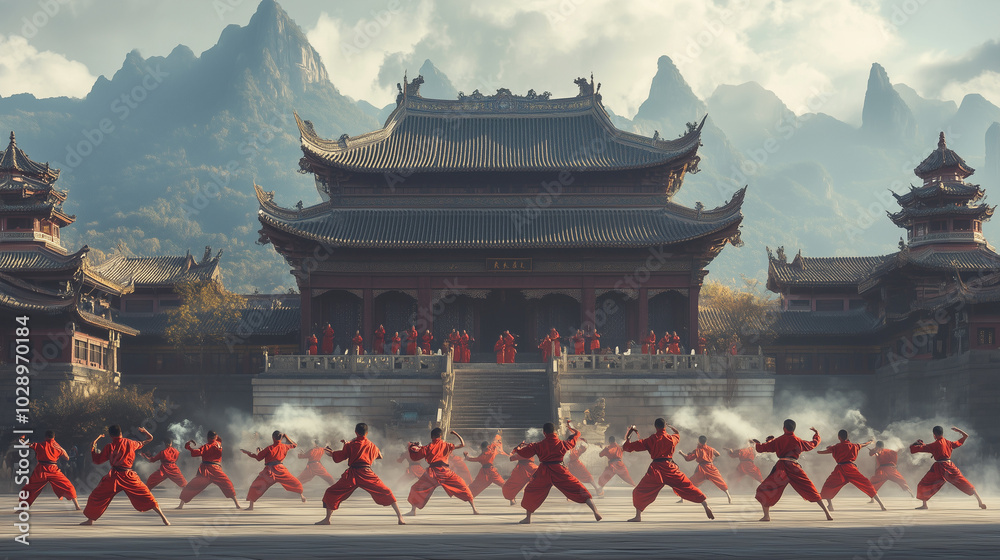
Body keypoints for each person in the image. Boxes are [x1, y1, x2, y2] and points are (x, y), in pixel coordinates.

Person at [511, 419, 601, 524]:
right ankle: (596, 512)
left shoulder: (538, 445)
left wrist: (517, 448)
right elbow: (577, 434)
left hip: (544, 471)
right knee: (578, 488)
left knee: (531, 490)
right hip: (559, 470)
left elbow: (524, 453)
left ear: (544, 433)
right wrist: (570, 427)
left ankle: (528, 518)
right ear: (555, 432)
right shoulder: (563, 444)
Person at [622, 419, 713, 522]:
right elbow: (677, 435)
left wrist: (630, 433)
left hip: (656, 470)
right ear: (665, 427)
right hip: (670, 468)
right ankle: (705, 504)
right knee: (688, 486)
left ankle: (638, 516)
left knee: (639, 491)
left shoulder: (651, 440)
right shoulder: (671, 438)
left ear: (655, 427)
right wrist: (674, 430)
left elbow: (628, 447)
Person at [316, 423, 405, 525]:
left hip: (352, 474)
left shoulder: (351, 444)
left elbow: (340, 456)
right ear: (367, 433)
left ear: (355, 432)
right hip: (366, 473)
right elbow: (380, 456)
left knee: (331, 492)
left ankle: (327, 519)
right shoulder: (371, 445)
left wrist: (339, 448)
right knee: (386, 491)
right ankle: (400, 517)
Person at [81, 425, 169, 525]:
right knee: (146, 495)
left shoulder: (109, 447)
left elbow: (97, 460)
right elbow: (149, 439)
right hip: (129, 476)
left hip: (114, 477)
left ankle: (90, 520)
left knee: (97, 495)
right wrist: (145, 431)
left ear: (110, 435)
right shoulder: (131, 443)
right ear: (121, 433)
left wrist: (93, 448)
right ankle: (164, 518)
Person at [752, 419, 832, 522]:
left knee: (765, 489)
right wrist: (817, 434)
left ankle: (766, 516)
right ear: (794, 429)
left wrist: (755, 443)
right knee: (810, 488)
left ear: (784, 428)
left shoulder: (779, 440)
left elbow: (762, 448)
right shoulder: (798, 441)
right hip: (794, 467)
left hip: (781, 469)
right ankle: (827, 513)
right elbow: (813, 444)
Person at [909, 426, 987, 510]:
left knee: (924, 483)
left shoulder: (934, 445)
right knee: (964, 482)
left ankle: (924, 505)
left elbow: (917, 449)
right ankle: (980, 502)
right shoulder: (948, 443)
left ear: (934, 435)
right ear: (942, 433)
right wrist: (958, 430)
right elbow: (965, 436)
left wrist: (914, 444)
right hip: (950, 466)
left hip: (939, 468)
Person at [405, 428, 478, 516]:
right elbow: (462, 444)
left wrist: (411, 446)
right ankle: (474, 509)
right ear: (441, 436)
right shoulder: (446, 445)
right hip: (445, 473)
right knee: (463, 486)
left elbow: (415, 457)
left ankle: (413, 511)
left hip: (432, 473)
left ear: (432, 437)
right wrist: (455, 434)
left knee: (416, 488)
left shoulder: (428, 447)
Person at [817, 430, 885, 512]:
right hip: (851, 468)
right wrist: (870, 441)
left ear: (839, 437)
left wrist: (827, 448)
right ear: (847, 437)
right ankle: (882, 505)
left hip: (840, 470)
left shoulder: (836, 447)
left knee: (828, 485)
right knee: (866, 484)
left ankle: (830, 505)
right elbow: (864, 444)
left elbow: (821, 452)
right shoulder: (854, 446)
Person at [241, 431, 306, 510]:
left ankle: (251, 506)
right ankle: (302, 495)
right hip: (280, 470)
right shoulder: (285, 446)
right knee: (294, 481)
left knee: (256, 485)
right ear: (281, 438)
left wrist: (248, 452)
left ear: (273, 438)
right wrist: (286, 436)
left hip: (269, 471)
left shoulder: (269, 448)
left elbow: (258, 458)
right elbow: (295, 444)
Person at [177, 431, 240, 509]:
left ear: (207, 438)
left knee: (191, 486)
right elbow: (219, 438)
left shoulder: (206, 446)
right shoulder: (218, 443)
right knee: (227, 484)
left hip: (206, 471)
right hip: (215, 470)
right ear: (216, 437)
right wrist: (216, 435)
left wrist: (189, 445)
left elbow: (195, 453)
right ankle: (237, 504)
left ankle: (180, 505)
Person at [20, 430, 80, 509]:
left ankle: (22, 507)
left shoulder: (40, 445)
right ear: (54, 437)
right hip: (53, 470)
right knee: (68, 485)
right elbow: (67, 458)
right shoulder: (58, 447)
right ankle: (77, 506)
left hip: (41, 470)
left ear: (45, 437)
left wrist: (21, 438)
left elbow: (25, 443)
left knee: (29, 488)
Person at [679, 435, 732, 503]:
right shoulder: (710, 449)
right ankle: (729, 496)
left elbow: (688, 459)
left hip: (702, 469)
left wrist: (681, 453)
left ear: (699, 442)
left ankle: (682, 498)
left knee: (689, 482)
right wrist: (711, 456)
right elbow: (718, 454)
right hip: (711, 468)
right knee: (720, 481)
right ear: (706, 442)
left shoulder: (697, 450)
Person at [465, 431, 507, 497]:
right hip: (492, 471)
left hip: (484, 472)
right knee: (502, 484)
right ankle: (511, 498)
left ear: (483, 448)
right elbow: (496, 442)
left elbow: (475, 459)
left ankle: (468, 494)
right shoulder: (493, 450)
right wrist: (498, 435)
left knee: (476, 484)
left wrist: (467, 457)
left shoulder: (483, 455)